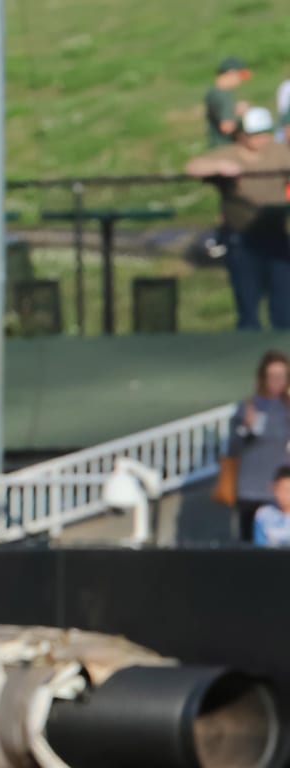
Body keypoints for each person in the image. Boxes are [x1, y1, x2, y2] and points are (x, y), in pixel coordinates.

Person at [185, 107, 290, 330]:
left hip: (276, 237)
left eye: (265, 132)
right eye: (255, 134)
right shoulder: (228, 153)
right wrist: (218, 167)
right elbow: (192, 167)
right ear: (242, 135)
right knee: (248, 306)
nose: (262, 139)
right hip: (241, 240)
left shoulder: (279, 152)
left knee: (283, 307)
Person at [227, 350, 290, 542]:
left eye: (282, 375)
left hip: (279, 492)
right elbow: (233, 447)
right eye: (272, 375)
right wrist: (247, 428)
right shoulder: (249, 406)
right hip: (251, 491)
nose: (277, 380)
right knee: (250, 547)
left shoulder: (287, 407)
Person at [206, 56, 251, 148]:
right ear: (231, 73)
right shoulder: (225, 94)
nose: (241, 80)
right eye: (240, 76)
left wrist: (234, 110)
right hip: (227, 148)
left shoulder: (212, 92)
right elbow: (227, 127)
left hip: (216, 146)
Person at [253, 466, 290, 546]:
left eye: (288, 490)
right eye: (281, 489)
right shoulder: (263, 514)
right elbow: (259, 547)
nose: (285, 495)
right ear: (274, 489)